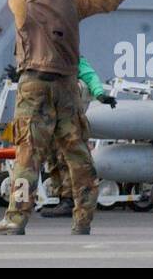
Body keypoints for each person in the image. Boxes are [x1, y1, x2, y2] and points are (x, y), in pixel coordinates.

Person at [0, 0, 153, 236]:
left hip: (34, 83)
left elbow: (25, 5)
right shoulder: (76, 2)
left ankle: (16, 219)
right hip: (68, 86)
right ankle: (83, 220)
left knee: (28, 153)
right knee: (78, 153)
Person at [39, 56, 116, 218]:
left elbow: (90, 76)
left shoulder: (70, 54)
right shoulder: (43, 55)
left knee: (67, 160)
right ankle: (63, 199)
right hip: (51, 120)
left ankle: (70, 201)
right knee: (54, 160)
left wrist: (100, 94)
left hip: (69, 121)